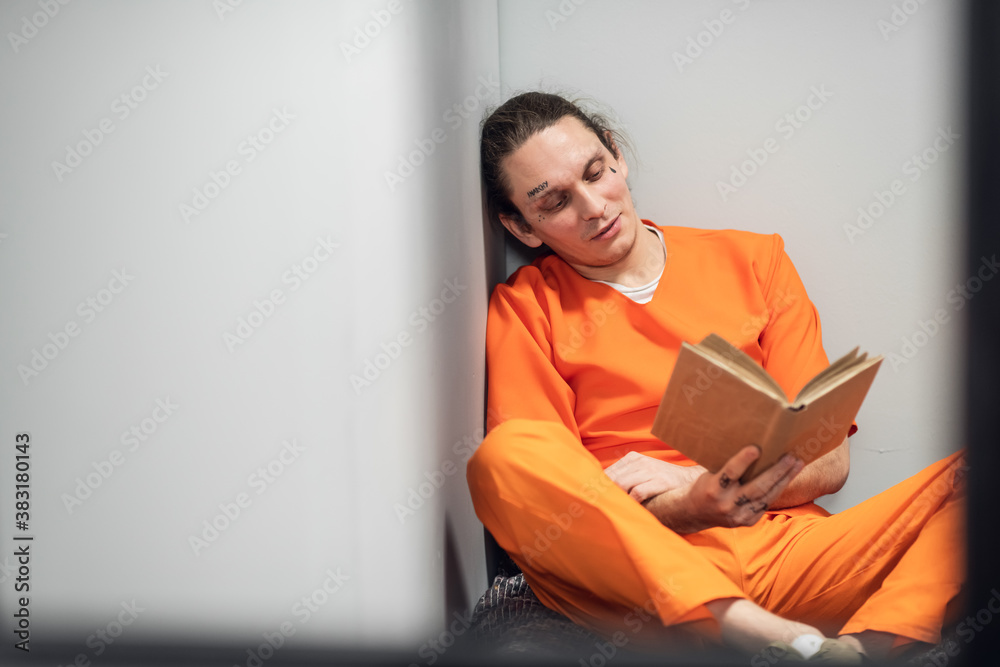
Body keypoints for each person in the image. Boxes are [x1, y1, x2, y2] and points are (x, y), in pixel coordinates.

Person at [466, 91, 966, 662]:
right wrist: (685, 507)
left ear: (617, 155)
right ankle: (762, 631)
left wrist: (700, 480)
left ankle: (859, 650)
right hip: (635, 579)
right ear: (522, 226)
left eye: (595, 172)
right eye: (555, 201)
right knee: (504, 454)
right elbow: (548, 495)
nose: (594, 207)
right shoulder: (527, 308)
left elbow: (829, 462)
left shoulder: (754, 260)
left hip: (790, 552)